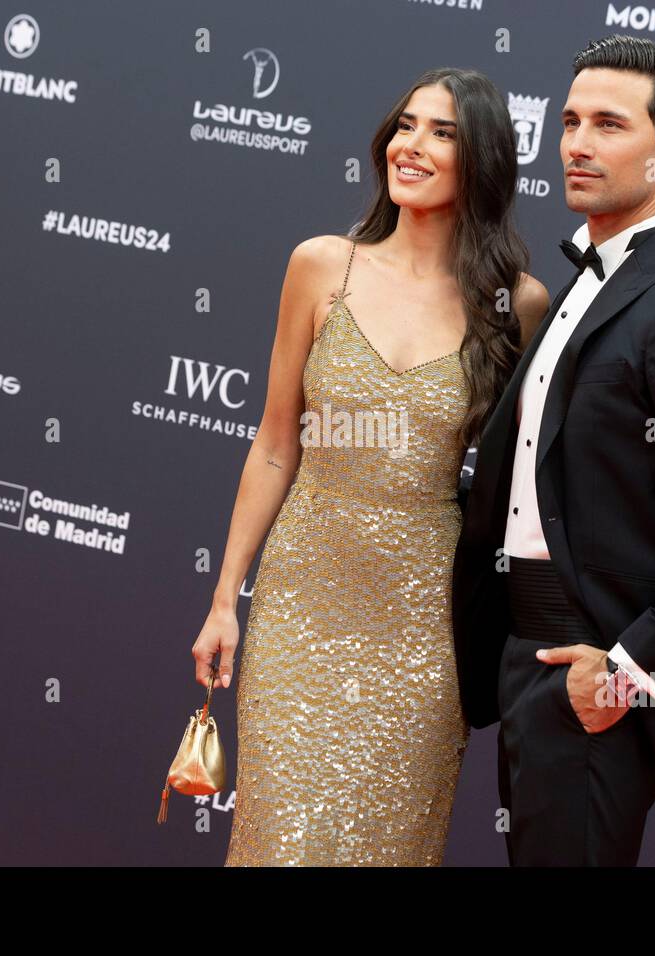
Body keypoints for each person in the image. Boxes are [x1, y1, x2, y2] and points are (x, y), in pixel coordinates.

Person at [191, 67, 549, 865]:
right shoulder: (322, 266)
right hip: (302, 597)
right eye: (406, 125)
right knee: (281, 840)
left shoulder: (519, 304)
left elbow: (528, 484)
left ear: (482, 160)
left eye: (443, 133)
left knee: (384, 846)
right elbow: (277, 441)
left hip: (424, 622)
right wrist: (226, 599)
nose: (412, 146)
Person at [452, 34, 655, 866]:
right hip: (529, 657)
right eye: (569, 121)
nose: (578, 144)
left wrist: (624, 672)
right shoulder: (588, 283)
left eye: (608, 124)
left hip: (593, 669)